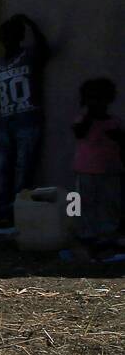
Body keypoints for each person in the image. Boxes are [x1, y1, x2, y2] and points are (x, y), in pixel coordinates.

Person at [0, 14, 50, 223]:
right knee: (4, 170)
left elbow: (45, 48)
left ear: (20, 36)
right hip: (5, 124)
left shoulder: (29, 56)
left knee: (24, 170)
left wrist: (30, 22)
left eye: (12, 35)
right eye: (4, 35)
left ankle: (19, 213)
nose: (7, 39)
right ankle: (4, 212)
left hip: (28, 121)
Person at [71, 78, 123, 241]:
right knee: (83, 204)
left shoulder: (114, 122)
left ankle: (108, 232)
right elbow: (80, 133)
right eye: (92, 99)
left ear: (108, 99)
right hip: (85, 171)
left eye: (100, 99)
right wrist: (90, 116)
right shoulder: (82, 121)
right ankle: (85, 232)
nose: (97, 103)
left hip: (110, 171)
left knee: (110, 203)